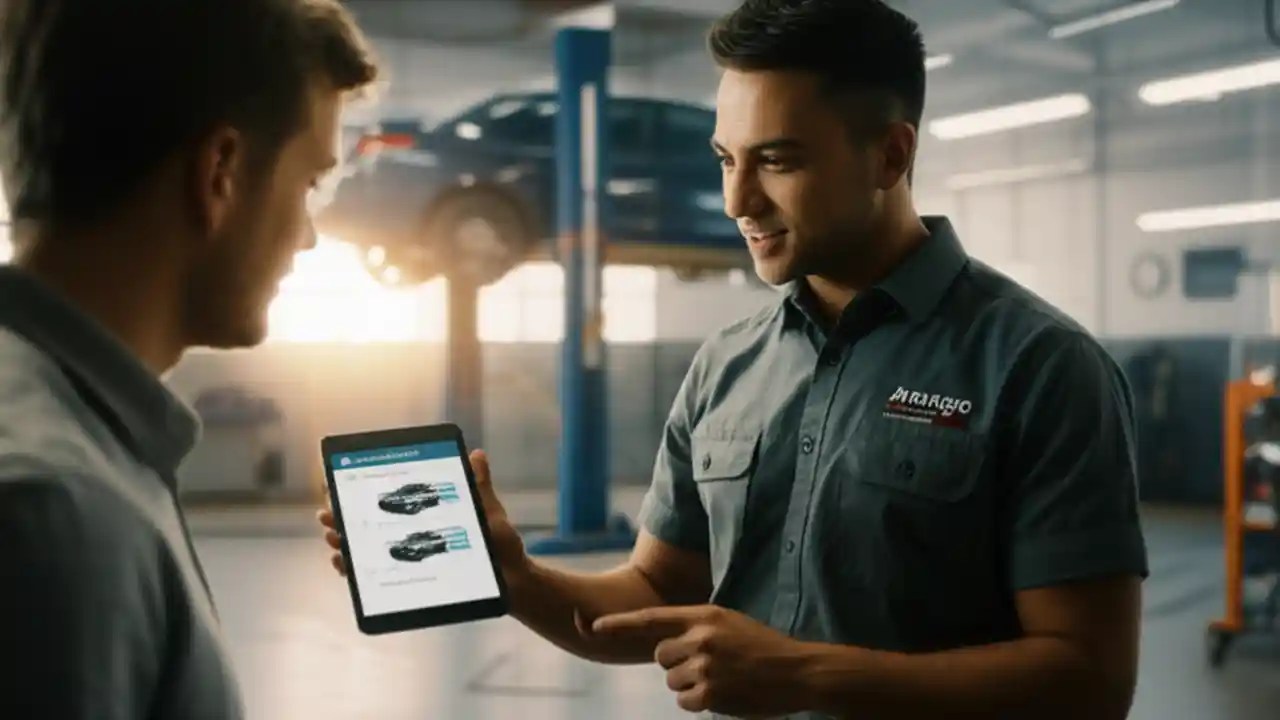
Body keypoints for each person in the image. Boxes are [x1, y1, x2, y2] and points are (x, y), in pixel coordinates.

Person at [318, 1, 1148, 718]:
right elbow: (653, 595)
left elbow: (1089, 682)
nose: (737, 202)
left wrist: (807, 674)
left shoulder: (1041, 368)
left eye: (778, 161)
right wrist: (515, 575)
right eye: (726, 160)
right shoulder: (728, 363)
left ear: (891, 156)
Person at [0, 1, 378, 717]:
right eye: (308, 185)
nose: (306, 238)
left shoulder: (74, 435)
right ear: (221, 172)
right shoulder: (59, 514)